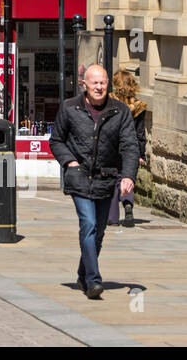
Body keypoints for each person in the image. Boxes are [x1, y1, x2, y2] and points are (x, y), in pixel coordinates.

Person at [50, 63, 139, 300]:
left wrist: (129, 176)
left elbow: (130, 145)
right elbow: (56, 140)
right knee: (88, 225)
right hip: (79, 177)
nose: (99, 87)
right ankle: (93, 281)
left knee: (98, 232)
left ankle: (82, 273)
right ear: (84, 85)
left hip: (106, 178)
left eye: (103, 83)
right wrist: (70, 162)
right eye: (94, 83)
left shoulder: (120, 111)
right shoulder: (70, 108)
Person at [108, 69, 148, 228]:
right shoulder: (138, 106)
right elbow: (140, 133)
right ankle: (127, 203)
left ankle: (112, 218)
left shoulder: (110, 102)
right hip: (131, 148)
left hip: (113, 147)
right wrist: (141, 153)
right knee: (127, 177)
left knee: (113, 179)